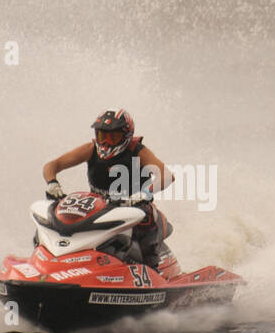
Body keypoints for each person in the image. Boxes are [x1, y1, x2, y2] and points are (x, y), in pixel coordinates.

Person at [41, 109, 176, 272]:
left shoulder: (137, 150)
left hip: (133, 209)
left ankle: (152, 270)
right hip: (99, 210)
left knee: (145, 215)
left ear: (126, 135)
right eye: (101, 136)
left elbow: (167, 175)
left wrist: (144, 193)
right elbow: (52, 165)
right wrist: (52, 183)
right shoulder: (91, 149)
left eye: (113, 137)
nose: (105, 142)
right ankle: (47, 260)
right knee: (57, 212)